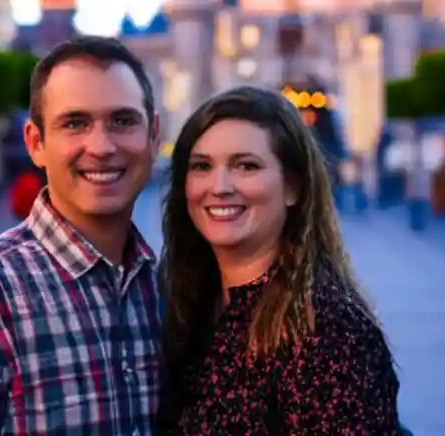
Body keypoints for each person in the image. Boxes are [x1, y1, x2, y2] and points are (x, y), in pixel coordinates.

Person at [0, 36, 162, 435]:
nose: (101, 146)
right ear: (36, 144)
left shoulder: (164, 292)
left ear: (154, 135)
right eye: (75, 123)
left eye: (122, 121)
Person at [158, 85, 402, 435]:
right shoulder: (181, 303)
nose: (220, 186)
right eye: (201, 166)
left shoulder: (328, 332)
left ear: (293, 188)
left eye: (246, 165)